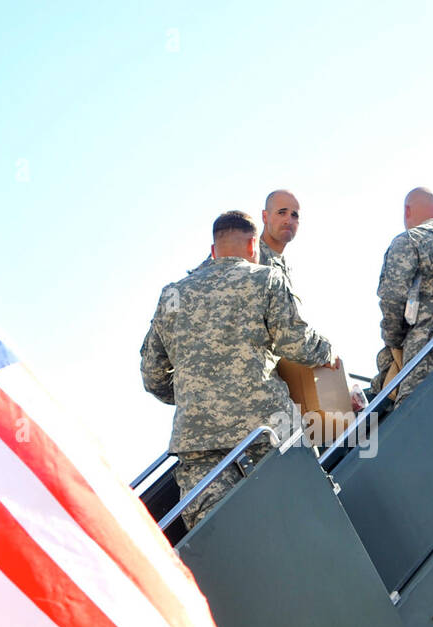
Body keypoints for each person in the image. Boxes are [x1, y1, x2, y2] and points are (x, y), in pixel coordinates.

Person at [142, 210, 336, 528]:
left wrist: (197, 391)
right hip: (268, 434)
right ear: (252, 246)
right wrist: (328, 352)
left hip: (199, 445)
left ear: (214, 250)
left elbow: (152, 374)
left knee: (221, 547)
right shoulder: (265, 279)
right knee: (309, 523)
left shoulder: (173, 295)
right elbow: (297, 345)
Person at [377, 187, 433, 402]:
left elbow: (392, 297)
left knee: (412, 420)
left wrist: (394, 340)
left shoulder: (409, 240)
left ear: (407, 211)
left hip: (426, 352)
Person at [190, 189, 300, 281]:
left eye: (294, 215)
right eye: (281, 213)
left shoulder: (284, 266)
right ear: (265, 216)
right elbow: (198, 280)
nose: (288, 220)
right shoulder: (243, 249)